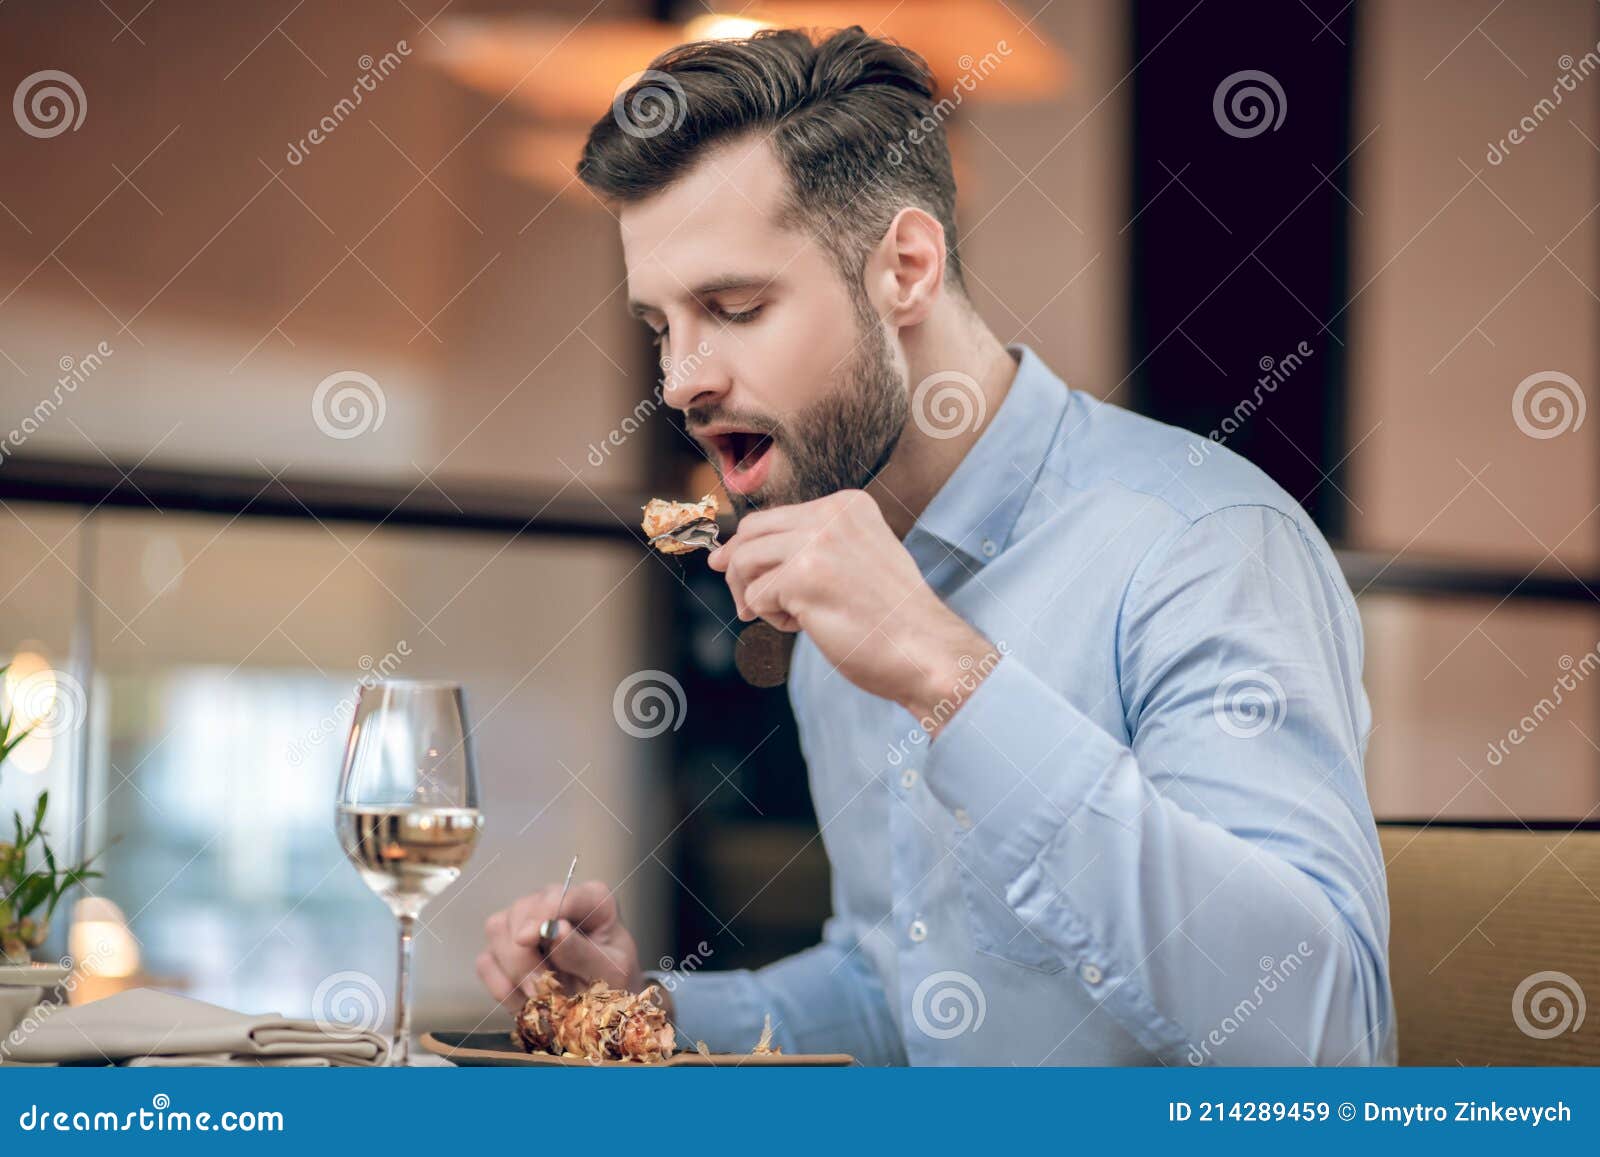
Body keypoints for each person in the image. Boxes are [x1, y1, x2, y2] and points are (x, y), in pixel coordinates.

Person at [477, 26, 1395, 1066]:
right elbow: (901, 989)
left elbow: (1325, 1038)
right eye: (661, 325)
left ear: (905, 268)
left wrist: (950, 673)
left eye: (733, 308)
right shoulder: (837, 562)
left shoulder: (1205, 543)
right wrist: (642, 1012)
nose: (682, 379)